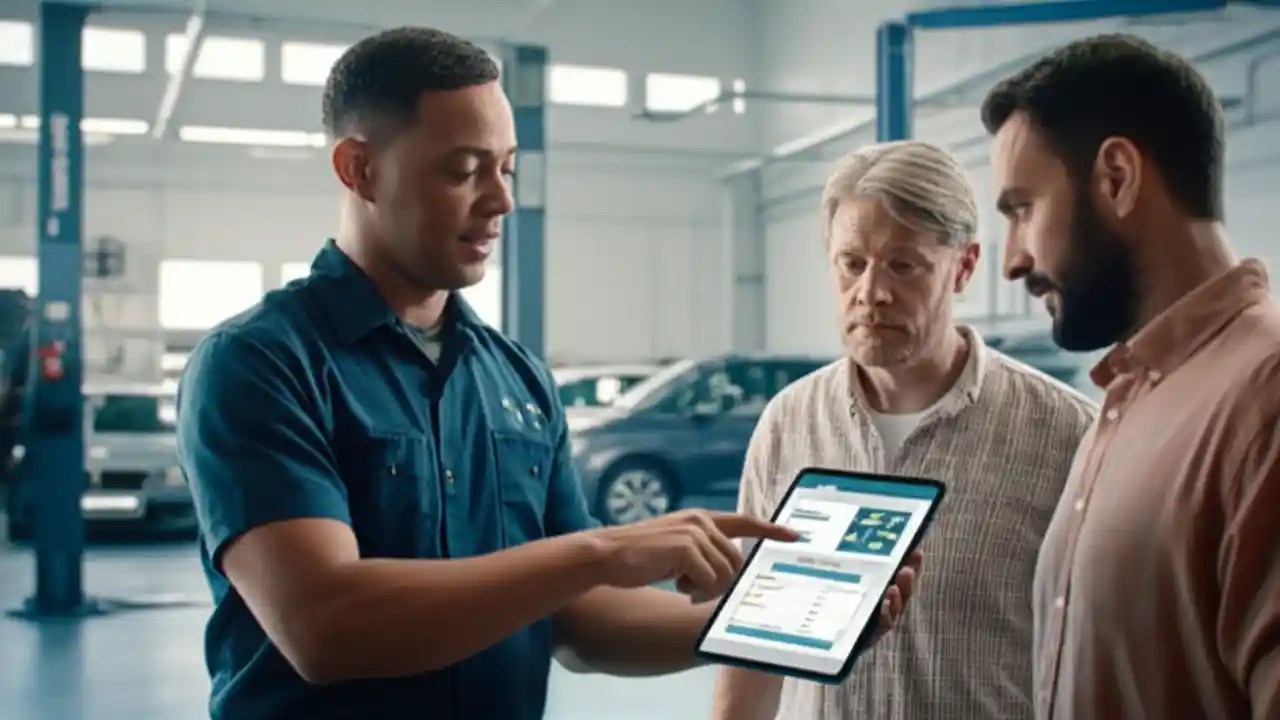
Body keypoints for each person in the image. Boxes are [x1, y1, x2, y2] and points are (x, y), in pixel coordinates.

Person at [174, 26, 921, 720]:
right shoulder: (262, 363)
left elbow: (581, 619)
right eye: (464, 171)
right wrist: (600, 552)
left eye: (506, 169)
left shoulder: (515, 380)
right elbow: (325, 625)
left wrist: (780, 626)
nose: (501, 201)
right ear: (359, 169)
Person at [711, 140, 1096, 720]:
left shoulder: (1064, 434)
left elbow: (1096, 656)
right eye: (852, 263)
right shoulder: (789, 422)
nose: (872, 293)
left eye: (903, 265)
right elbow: (751, 655)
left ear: (963, 267)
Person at [982, 33, 1280, 720]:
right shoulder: (1131, 395)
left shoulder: (1264, 400)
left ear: (1116, 178)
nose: (1012, 262)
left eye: (1023, 210)